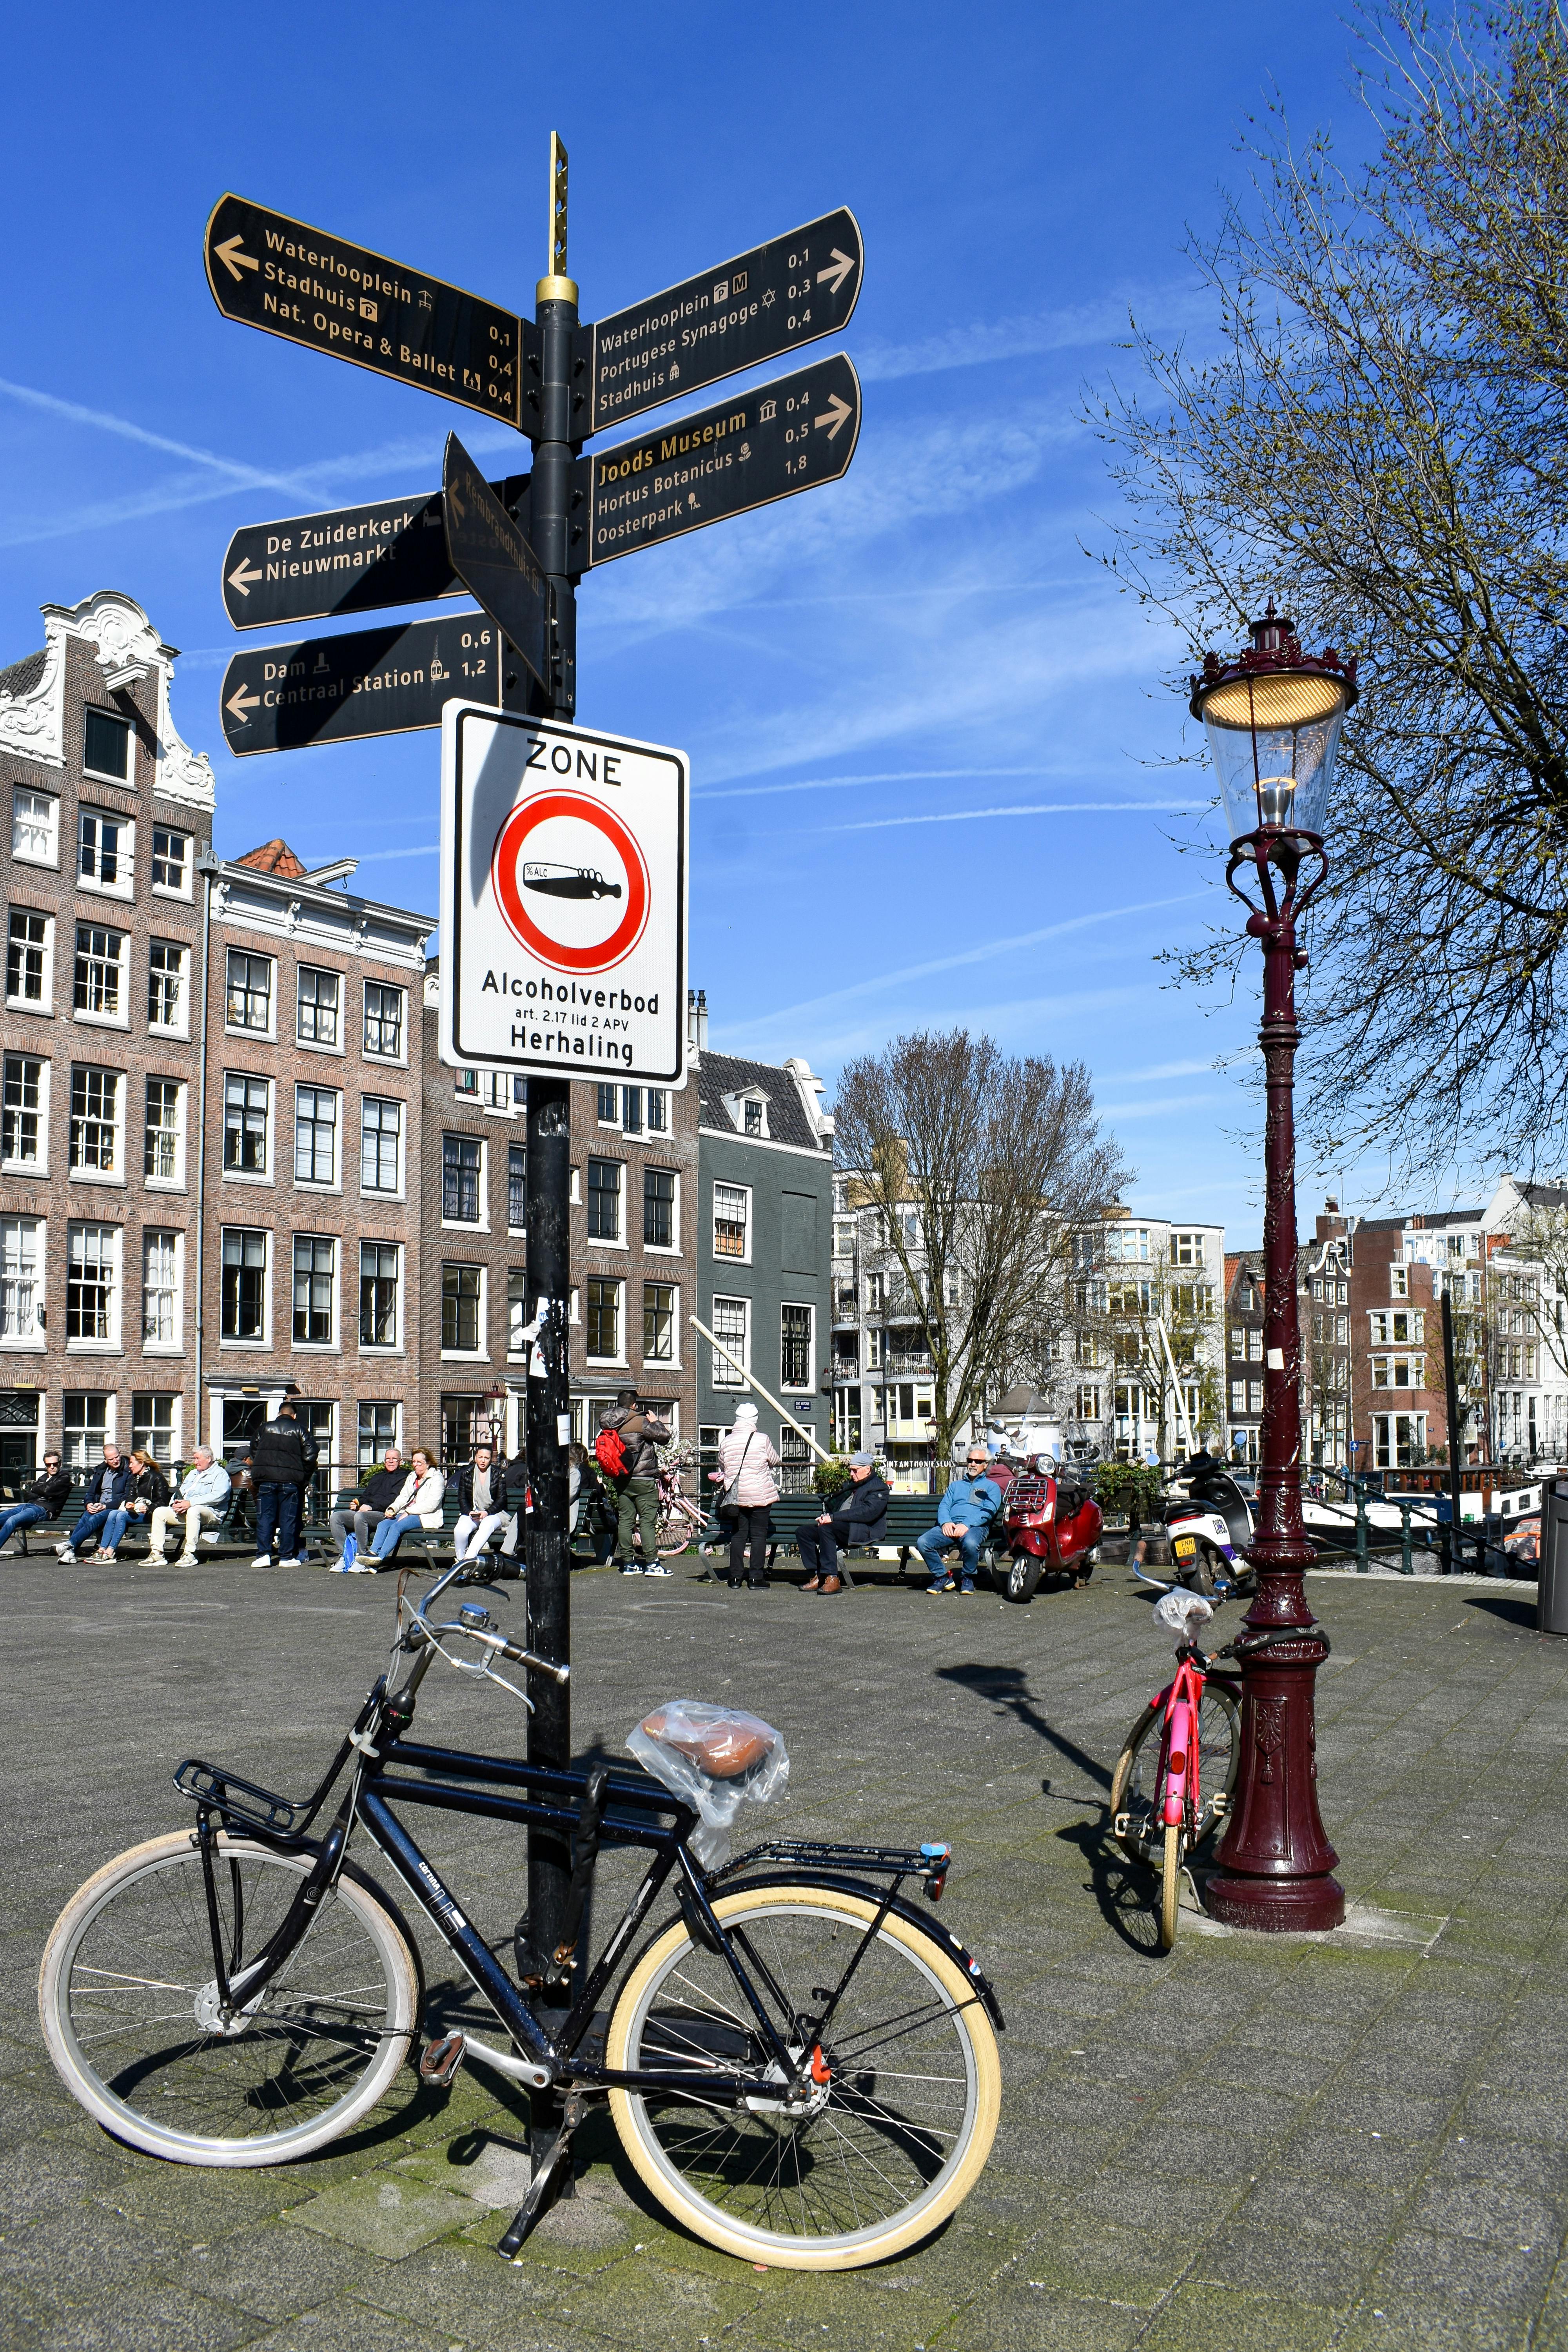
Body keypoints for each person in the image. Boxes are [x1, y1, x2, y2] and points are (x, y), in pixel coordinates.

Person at [600, 1390, 671, 1577]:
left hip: (622, 1479)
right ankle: (653, 1564)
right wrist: (656, 1421)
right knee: (647, 1522)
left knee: (625, 1521)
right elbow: (665, 1437)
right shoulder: (640, 1422)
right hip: (643, 1479)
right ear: (634, 1405)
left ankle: (629, 1563)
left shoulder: (609, 1425)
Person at [798, 1451, 890, 1595]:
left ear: (867, 1469)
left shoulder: (878, 1488)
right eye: (851, 1470)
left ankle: (832, 1578)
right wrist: (827, 1517)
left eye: (855, 1470)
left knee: (827, 1529)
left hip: (863, 1529)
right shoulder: (850, 1486)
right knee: (804, 1533)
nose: (852, 1474)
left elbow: (867, 1513)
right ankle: (820, 1576)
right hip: (842, 1526)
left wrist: (833, 1518)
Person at [916, 1447, 1003, 1595]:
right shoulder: (955, 1486)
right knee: (923, 1542)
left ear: (986, 1465)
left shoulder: (992, 1487)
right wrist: (945, 1522)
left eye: (978, 1461)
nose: (973, 1464)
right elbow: (944, 1505)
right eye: (970, 1461)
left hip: (976, 1526)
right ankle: (942, 1577)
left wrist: (967, 1524)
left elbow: (989, 1511)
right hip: (951, 1525)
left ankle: (967, 1577)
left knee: (970, 1543)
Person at [713, 1401, 780, 1590]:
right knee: (759, 1536)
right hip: (760, 1495)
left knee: (738, 1535)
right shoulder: (762, 1439)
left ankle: (735, 1578)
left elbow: (723, 1465)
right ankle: (755, 1579)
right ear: (755, 1420)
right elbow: (775, 1460)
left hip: (737, 1497)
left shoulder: (726, 1441)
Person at [249, 1404, 319, 1570]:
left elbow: (254, 1451)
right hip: (291, 1481)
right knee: (289, 1519)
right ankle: (286, 1557)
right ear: (294, 1416)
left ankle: (264, 1555)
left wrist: (263, 1467)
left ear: (279, 1414)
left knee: (265, 1518)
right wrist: (303, 1476)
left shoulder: (264, 1429)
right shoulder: (301, 1430)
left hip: (266, 1480)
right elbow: (311, 1456)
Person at [148, 1448, 232, 1565]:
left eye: (198, 1459)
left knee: (194, 1510)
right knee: (160, 1512)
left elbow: (218, 1496)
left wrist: (191, 1503)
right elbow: (181, 1492)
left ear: (209, 1459)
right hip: (187, 1511)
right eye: (194, 1458)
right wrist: (175, 1504)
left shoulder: (220, 1474)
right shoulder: (193, 1474)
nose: (195, 1462)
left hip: (212, 1513)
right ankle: (157, 1553)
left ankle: (189, 1553)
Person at [56, 1443, 133, 1563]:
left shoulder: (128, 1471)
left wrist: (105, 1506)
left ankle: (69, 1545)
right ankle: (71, 1552)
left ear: (120, 1453)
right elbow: (91, 1493)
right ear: (106, 1460)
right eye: (111, 1459)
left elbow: (126, 1497)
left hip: (114, 1508)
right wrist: (89, 1504)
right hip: (99, 1505)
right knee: (85, 1518)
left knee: (94, 1519)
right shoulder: (101, 1471)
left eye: (117, 1457)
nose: (116, 1461)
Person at [368, 1448, 447, 1563]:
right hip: (406, 1513)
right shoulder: (412, 1477)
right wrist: (393, 1508)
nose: (415, 1465)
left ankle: (380, 1558)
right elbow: (404, 1496)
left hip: (426, 1516)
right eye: (413, 1462)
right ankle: (373, 1553)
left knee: (397, 1527)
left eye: (419, 1462)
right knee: (384, 1524)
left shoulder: (436, 1478)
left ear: (428, 1463)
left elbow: (432, 1504)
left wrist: (409, 1512)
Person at [329, 1448, 404, 1568]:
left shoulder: (403, 1477)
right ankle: (345, 1556)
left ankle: (362, 1556)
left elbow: (393, 1499)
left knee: (361, 1516)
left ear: (400, 1461)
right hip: (365, 1512)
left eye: (394, 1459)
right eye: (388, 1459)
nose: (391, 1462)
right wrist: (357, 1503)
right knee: (336, 1517)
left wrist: (371, 1507)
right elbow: (366, 1495)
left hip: (384, 1514)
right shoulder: (377, 1477)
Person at [96, 1450, 172, 1562]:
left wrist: (148, 1508)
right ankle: (102, 1549)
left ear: (141, 1463)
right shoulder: (135, 1478)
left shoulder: (157, 1478)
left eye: (132, 1463)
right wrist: (129, 1504)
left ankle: (110, 1552)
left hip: (150, 1514)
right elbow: (130, 1496)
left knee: (122, 1516)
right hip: (136, 1511)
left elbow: (163, 1502)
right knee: (113, 1513)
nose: (130, 1466)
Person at [0, 1451, 70, 1556]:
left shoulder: (64, 1477)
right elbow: (28, 1495)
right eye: (48, 1465)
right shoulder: (43, 1478)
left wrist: (35, 1489)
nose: (52, 1467)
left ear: (59, 1464)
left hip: (43, 1510)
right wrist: (40, 1491)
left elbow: (47, 1491)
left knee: (12, 1521)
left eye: (55, 1464)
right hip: (26, 1506)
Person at [452, 1445, 508, 1564]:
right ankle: (460, 1561)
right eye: (480, 1457)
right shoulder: (466, 1473)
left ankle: (469, 1560)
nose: (483, 1461)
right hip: (474, 1512)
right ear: (476, 1457)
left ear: (491, 1459)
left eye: (487, 1458)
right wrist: (469, 1512)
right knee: (460, 1530)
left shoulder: (498, 1474)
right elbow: (462, 1498)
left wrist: (487, 1512)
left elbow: (502, 1500)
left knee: (487, 1524)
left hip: (495, 1514)